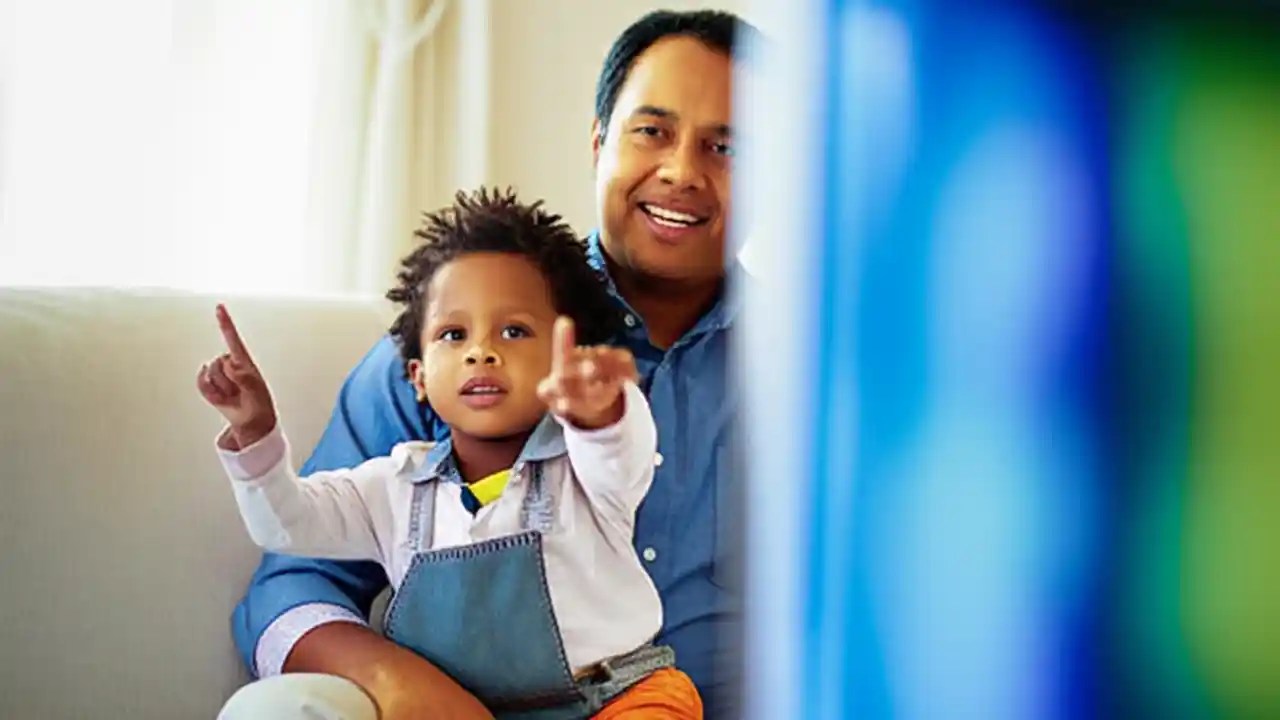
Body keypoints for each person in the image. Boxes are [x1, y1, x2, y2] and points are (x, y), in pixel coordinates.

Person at [219, 9, 751, 720]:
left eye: (729, 147)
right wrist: (398, 683)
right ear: (598, 144)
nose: (683, 172)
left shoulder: (829, 374)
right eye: (652, 131)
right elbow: (290, 584)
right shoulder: (451, 351)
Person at [201, 189, 703, 719]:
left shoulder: (586, 471)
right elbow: (288, 525)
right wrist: (255, 434)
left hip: (618, 699)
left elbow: (621, 453)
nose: (480, 351)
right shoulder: (390, 487)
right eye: (452, 333)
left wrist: (600, 410)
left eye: (514, 331)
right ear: (417, 376)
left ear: (566, 355)